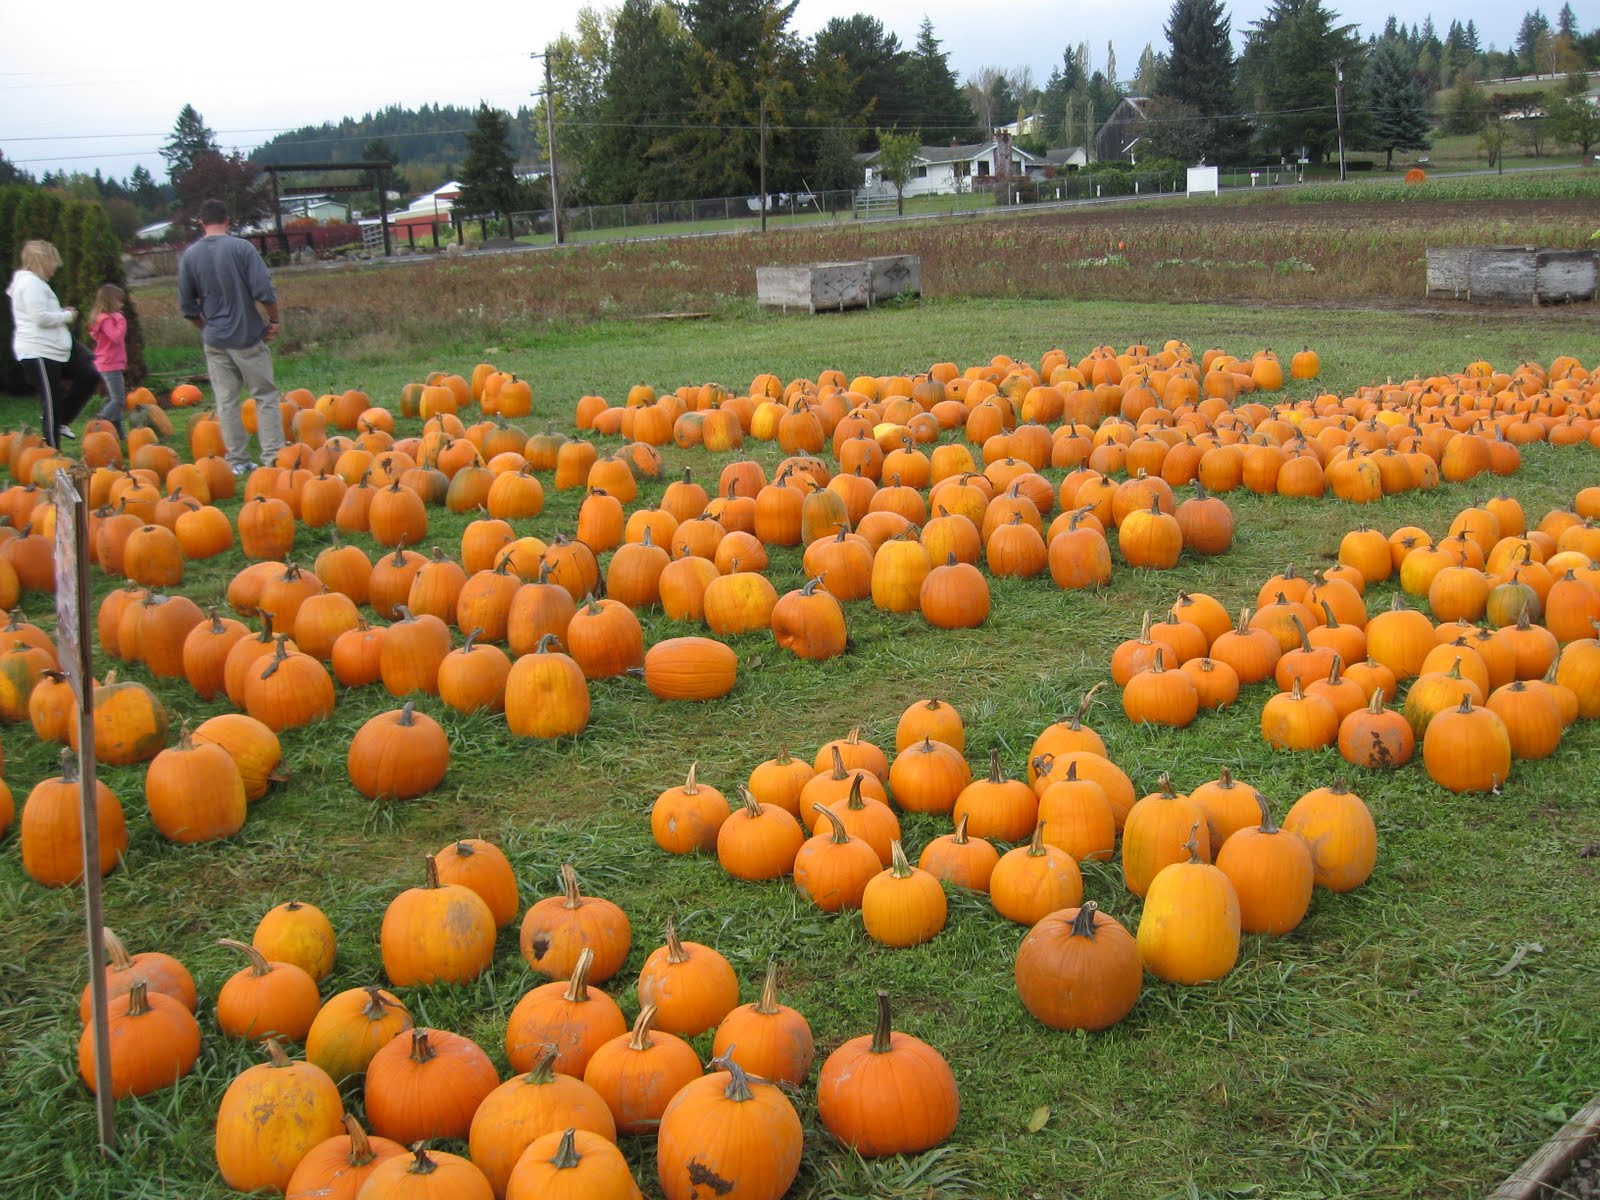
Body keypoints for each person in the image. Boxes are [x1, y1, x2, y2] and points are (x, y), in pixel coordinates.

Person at [177, 198, 284, 475]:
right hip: (247, 336)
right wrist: (273, 319)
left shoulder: (189, 256)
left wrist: (206, 328)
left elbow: (188, 307)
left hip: (215, 339)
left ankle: (238, 460)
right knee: (265, 396)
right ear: (227, 221)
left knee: (227, 402)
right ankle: (272, 456)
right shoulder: (242, 248)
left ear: (202, 223)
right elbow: (264, 291)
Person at [7, 238, 99, 447]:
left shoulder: (36, 284)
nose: (56, 267)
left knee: (89, 374)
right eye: (54, 261)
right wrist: (66, 316)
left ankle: (61, 420)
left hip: (56, 347)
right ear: (43, 260)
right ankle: (51, 453)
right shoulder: (30, 283)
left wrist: (59, 313)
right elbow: (40, 318)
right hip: (38, 351)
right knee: (52, 400)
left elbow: (41, 314)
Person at [86, 283, 130, 438]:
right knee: (118, 400)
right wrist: (121, 319)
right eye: (119, 301)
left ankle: (121, 434)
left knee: (114, 399)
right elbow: (116, 337)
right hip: (110, 363)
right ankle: (100, 421)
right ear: (111, 301)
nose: (121, 305)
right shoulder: (107, 320)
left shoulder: (103, 319)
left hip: (108, 363)